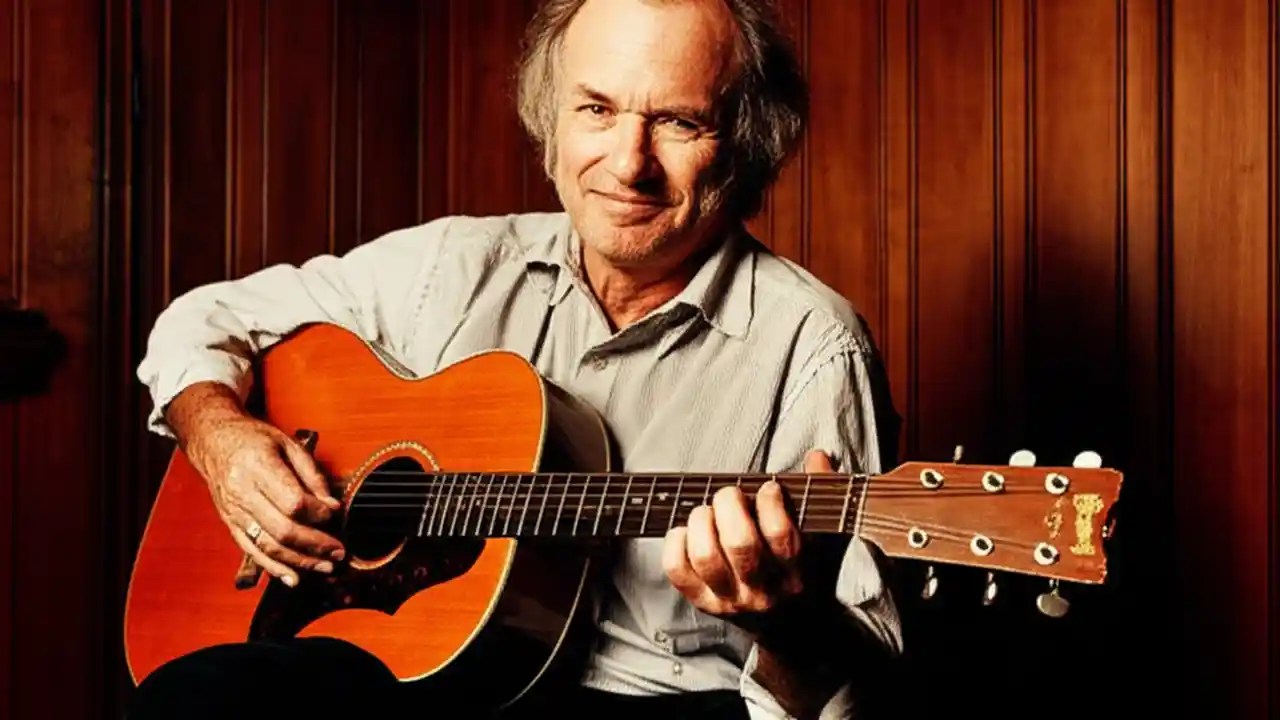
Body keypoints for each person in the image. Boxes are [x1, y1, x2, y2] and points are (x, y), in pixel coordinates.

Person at [127, 0, 904, 718]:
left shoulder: (815, 345)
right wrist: (221, 436)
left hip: (664, 704)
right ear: (550, 122)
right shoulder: (454, 265)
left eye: (677, 121)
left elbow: (858, 690)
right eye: (596, 110)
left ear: (747, 142)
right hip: (420, 680)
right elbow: (203, 320)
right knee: (193, 698)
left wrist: (790, 626)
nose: (628, 163)